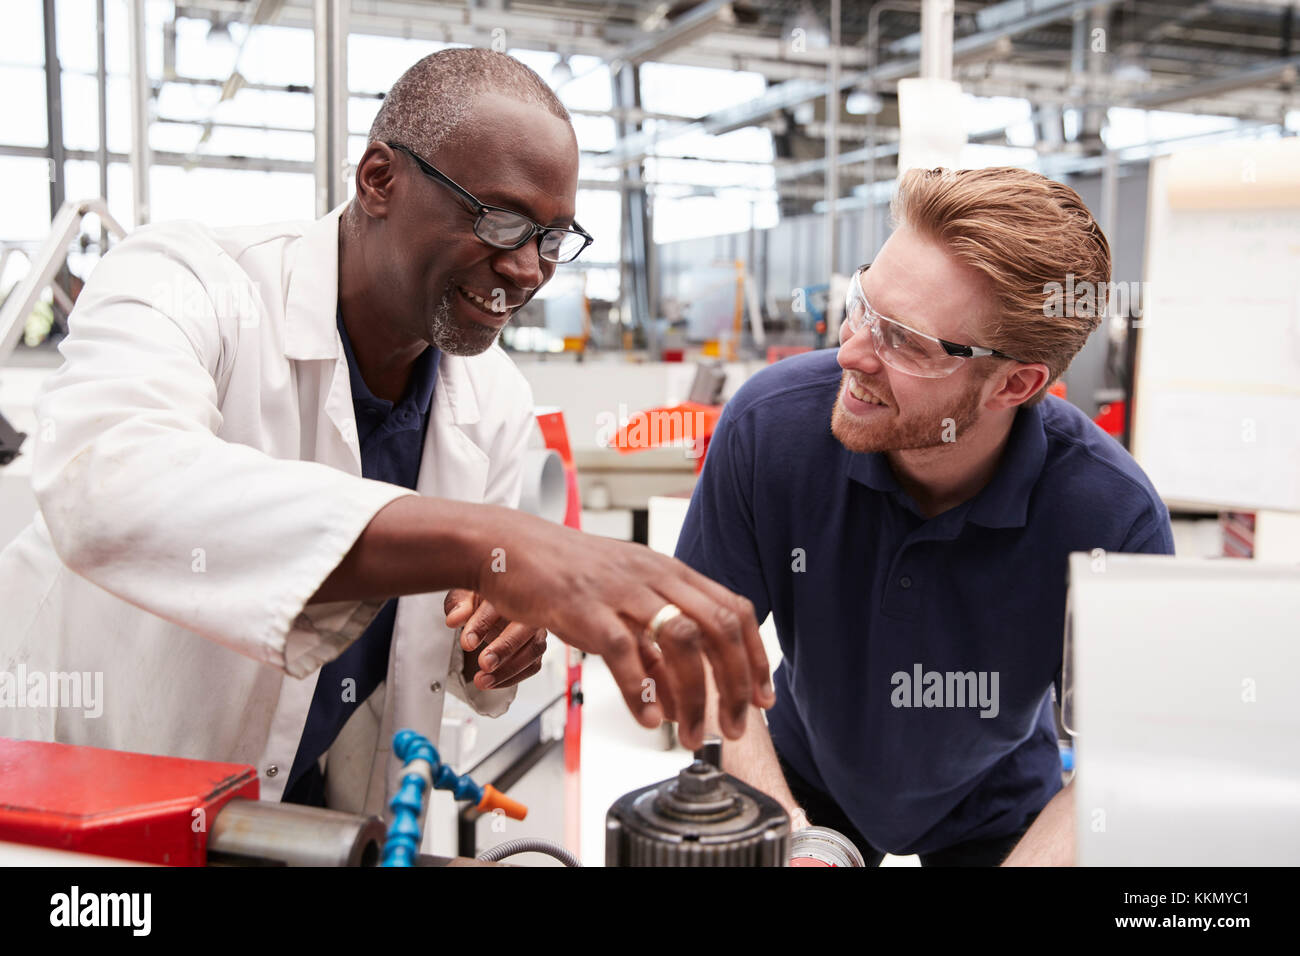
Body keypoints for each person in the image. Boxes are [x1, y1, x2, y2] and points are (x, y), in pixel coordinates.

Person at [0, 49, 771, 815]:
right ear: (379, 180)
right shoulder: (188, 279)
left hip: (304, 813)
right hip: (86, 794)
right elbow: (107, 488)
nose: (530, 270)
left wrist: (497, 645)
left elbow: (459, 646)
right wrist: (485, 542)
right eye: (502, 220)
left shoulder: (492, 399)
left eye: (552, 236)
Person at [676, 167, 1173, 866]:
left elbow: (1129, 759)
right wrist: (792, 837)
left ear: (1016, 383)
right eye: (862, 304)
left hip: (996, 807)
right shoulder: (771, 427)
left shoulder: (1113, 518)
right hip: (801, 776)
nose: (851, 351)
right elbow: (694, 648)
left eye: (904, 341)